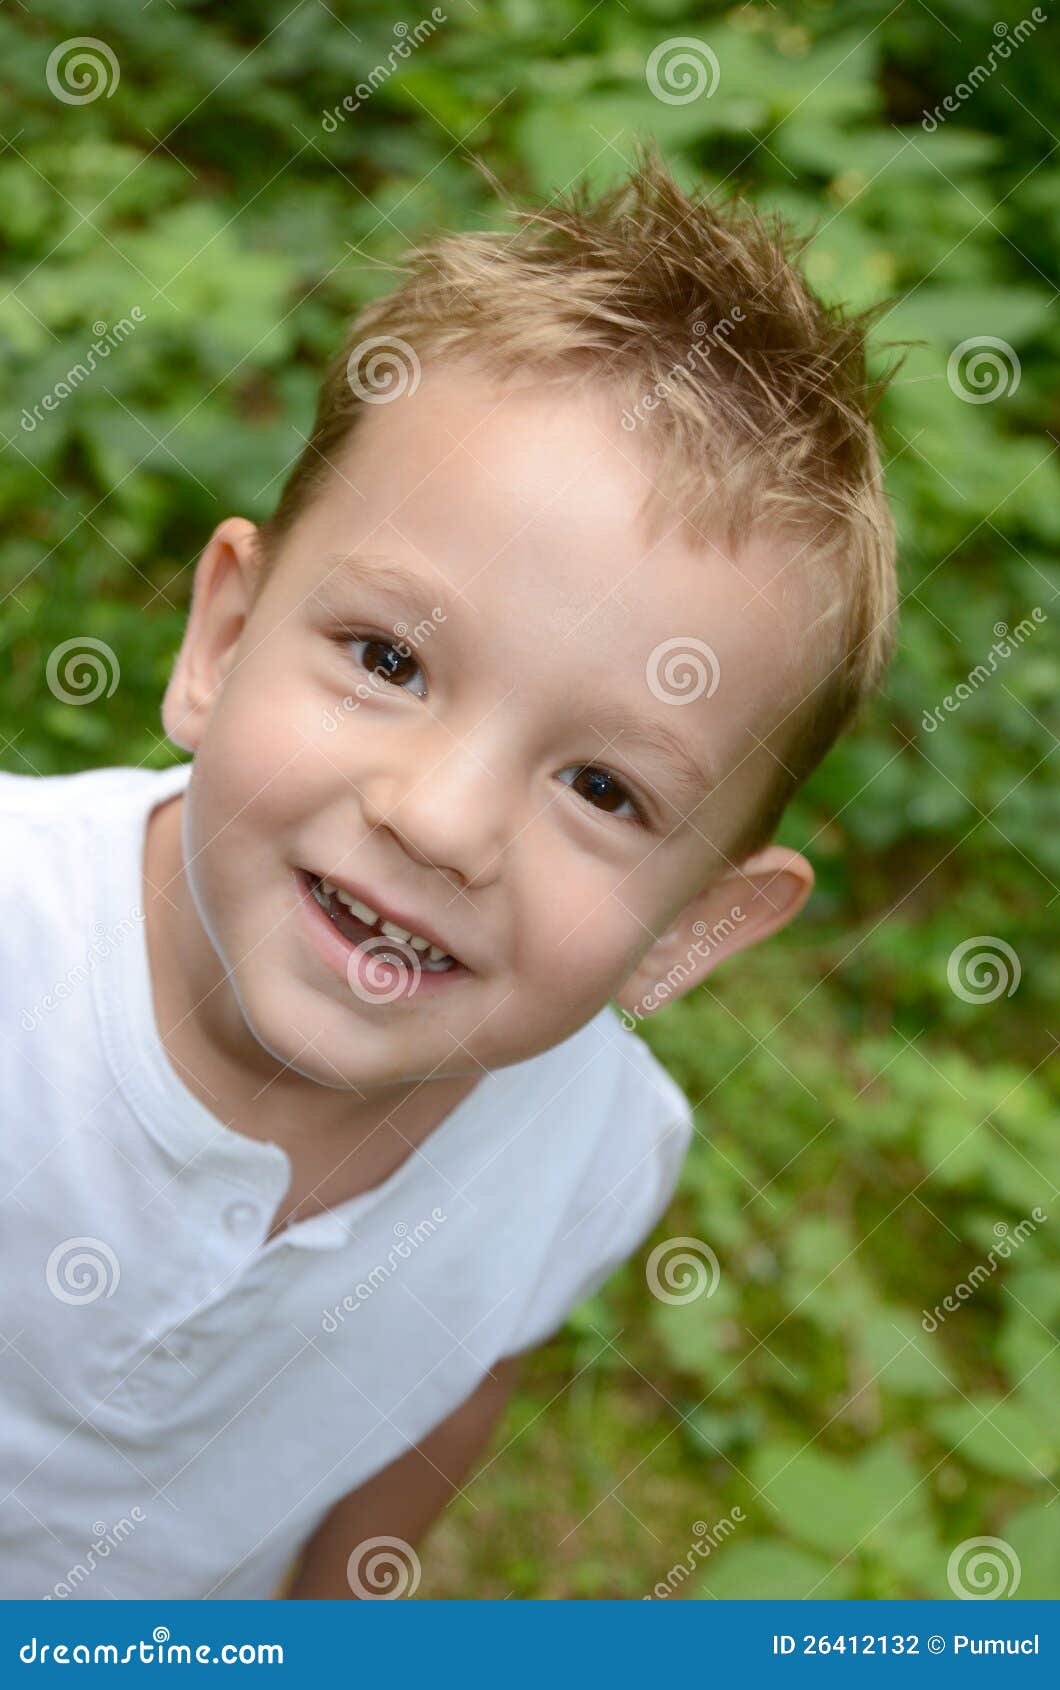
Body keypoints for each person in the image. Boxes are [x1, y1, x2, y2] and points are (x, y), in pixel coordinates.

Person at [0, 143, 896, 1599]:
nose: (442, 822)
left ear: (694, 926)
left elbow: (447, 1383)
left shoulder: (594, 1148)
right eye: (389, 659)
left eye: (603, 788)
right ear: (221, 641)